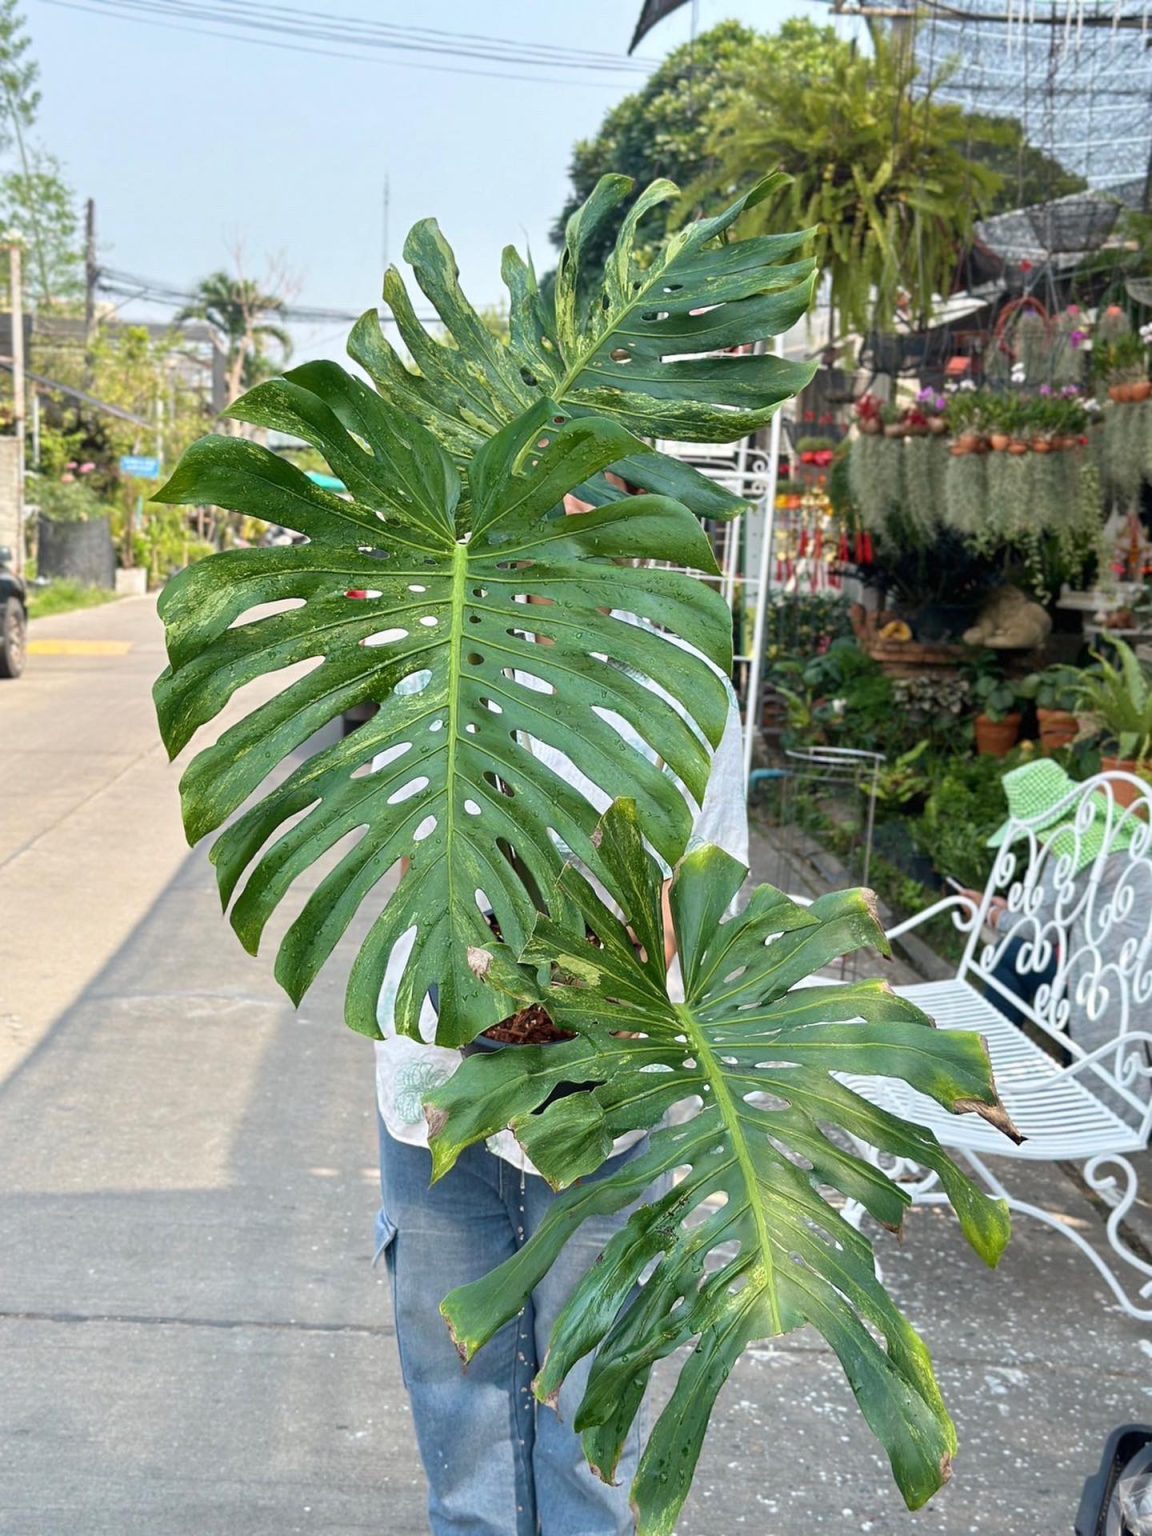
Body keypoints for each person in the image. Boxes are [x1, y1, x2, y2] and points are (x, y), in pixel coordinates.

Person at [372, 494, 748, 1536]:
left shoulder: (681, 683)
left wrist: (599, 985)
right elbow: (411, 861)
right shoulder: (435, 657)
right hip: (441, 1083)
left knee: (589, 1395)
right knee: (456, 1389)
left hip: (610, 1087)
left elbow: (705, 886)